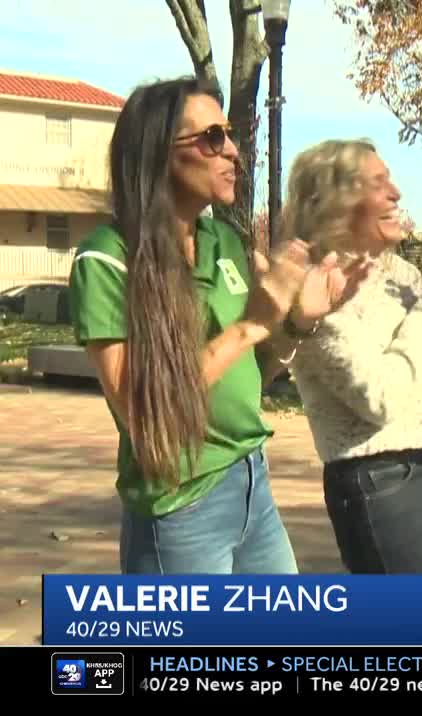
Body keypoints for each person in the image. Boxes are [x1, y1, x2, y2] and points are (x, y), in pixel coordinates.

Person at [68, 77, 368, 574]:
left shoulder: (225, 241)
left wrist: (296, 325)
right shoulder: (106, 259)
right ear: (160, 153)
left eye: (229, 135)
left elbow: (248, 374)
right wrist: (250, 324)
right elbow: (142, 414)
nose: (233, 152)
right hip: (181, 509)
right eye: (212, 137)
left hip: (252, 486)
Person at [284, 139, 422, 574]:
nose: (396, 192)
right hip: (378, 483)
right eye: (379, 183)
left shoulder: (401, 273)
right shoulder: (318, 290)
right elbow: (382, 398)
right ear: (335, 202)